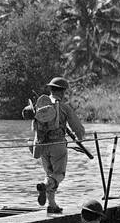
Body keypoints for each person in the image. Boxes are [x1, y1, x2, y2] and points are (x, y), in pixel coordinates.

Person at [28, 75, 86, 215]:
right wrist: (80, 138)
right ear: (62, 91)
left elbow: (34, 128)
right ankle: (44, 185)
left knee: (49, 173)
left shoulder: (40, 107)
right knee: (59, 174)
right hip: (58, 144)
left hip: (41, 145)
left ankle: (52, 205)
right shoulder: (64, 107)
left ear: (51, 90)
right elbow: (77, 128)